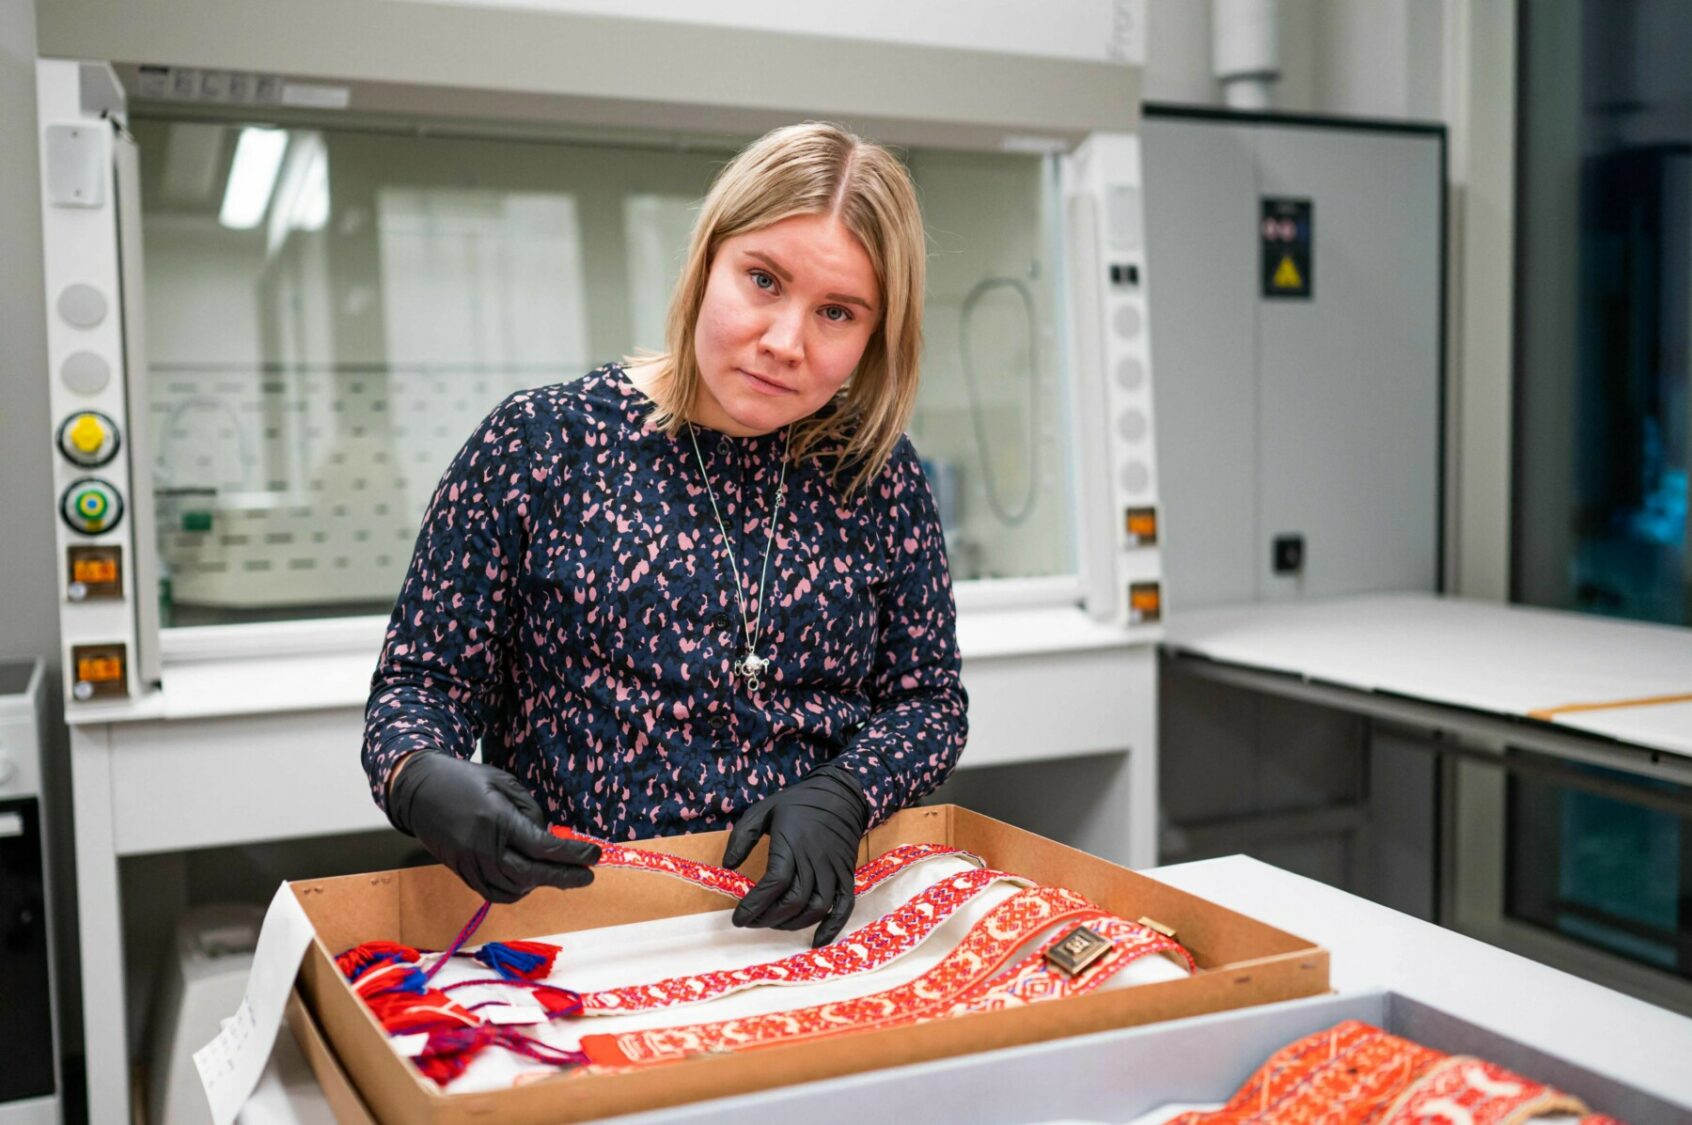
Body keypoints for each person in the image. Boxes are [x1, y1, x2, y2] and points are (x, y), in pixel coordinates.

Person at [362, 122, 967, 948]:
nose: (785, 342)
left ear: (874, 335)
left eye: (836, 312)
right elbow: (419, 686)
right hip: (576, 926)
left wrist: (848, 789)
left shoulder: (878, 472)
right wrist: (420, 776)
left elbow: (927, 702)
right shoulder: (540, 442)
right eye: (762, 280)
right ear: (705, 262)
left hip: (802, 922)